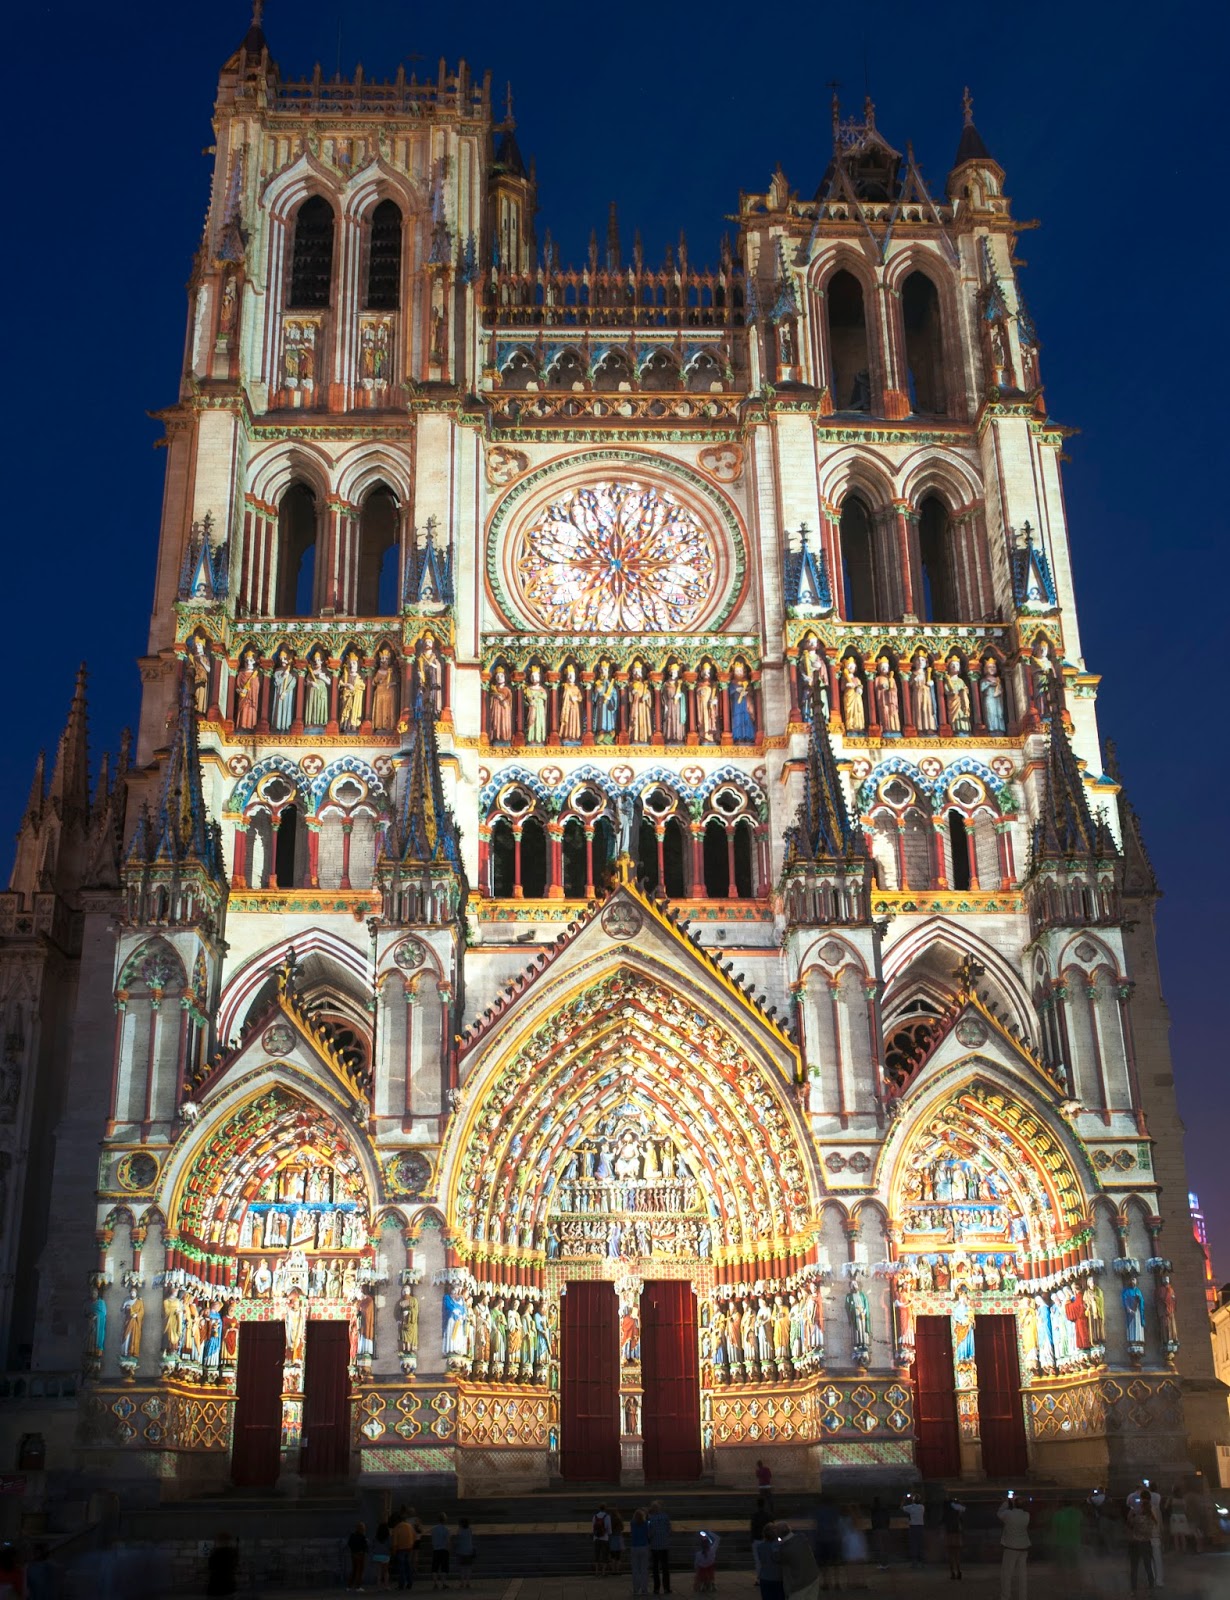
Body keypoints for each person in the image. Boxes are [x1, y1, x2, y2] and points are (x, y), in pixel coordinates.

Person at [764, 1521, 819, 1600]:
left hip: (799, 1584)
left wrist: (776, 1545)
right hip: (813, 1577)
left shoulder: (785, 1549)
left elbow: (776, 1558)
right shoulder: (801, 1537)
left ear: (778, 1534)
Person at [1125, 1481, 1163, 1585]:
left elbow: (1134, 1523)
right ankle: (1158, 1581)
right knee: (1157, 1559)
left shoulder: (1143, 1510)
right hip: (1156, 1536)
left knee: (1148, 1562)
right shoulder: (1155, 1509)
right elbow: (1160, 1522)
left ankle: (1152, 1580)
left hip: (1146, 1538)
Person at [997, 1495, 1030, 1600]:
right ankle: (1023, 1597)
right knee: (1022, 1575)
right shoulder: (1027, 1515)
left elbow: (999, 1513)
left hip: (1011, 1547)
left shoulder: (1008, 1514)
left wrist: (1007, 1502)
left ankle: (1006, 1596)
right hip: (1024, 1547)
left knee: (1007, 1574)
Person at [1125, 1496, 1157, 1593]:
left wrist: (1131, 1513)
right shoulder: (1152, 1519)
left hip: (1135, 1543)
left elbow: (1128, 1524)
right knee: (1148, 1566)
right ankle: (1151, 1585)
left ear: (1142, 1507)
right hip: (1146, 1543)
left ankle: (1133, 1588)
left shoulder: (1137, 1518)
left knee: (1134, 1568)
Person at [1050, 1500, 1082, 1587]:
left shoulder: (1058, 1514)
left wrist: (1053, 1543)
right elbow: (1082, 1526)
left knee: (1062, 1566)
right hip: (1075, 1542)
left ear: (1062, 1505)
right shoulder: (1078, 1513)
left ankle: (1063, 1584)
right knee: (1074, 1565)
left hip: (1061, 1543)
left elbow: (1054, 1530)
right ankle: (1075, 1584)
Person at [647, 1501, 672, 1595]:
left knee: (655, 1568)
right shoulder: (665, 1516)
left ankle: (656, 1589)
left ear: (653, 1509)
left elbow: (650, 1533)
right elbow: (669, 1529)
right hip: (664, 1545)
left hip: (655, 1546)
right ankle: (667, 1588)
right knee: (665, 1568)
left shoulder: (651, 1518)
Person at [390, 1509, 417, 1591]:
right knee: (408, 1566)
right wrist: (411, 1544)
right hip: (409, 1548)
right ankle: (409, 1583)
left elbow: (394, 1542)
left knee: (401, 1567)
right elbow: (414, 1536)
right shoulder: (409, 1526)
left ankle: (401, 1584)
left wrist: (393, 1552)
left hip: (400, 1549)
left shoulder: (396, 1528)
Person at [206, 1531, 239, 1596]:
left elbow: (211, 1567)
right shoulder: (233, 1552)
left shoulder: (216, 1553)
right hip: (229, 1585)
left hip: (216, 1585)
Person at [942, 1495, 966, 1580]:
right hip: (956, 1534)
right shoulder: (957, 1512)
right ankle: (958, 1571)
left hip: (949, 1534)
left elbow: (942, 1522)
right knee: (957, 1555)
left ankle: (952, 1573)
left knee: (950, 1555)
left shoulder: (946, 1513)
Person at [629, 1508, 651, 1597]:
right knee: (644, 1570)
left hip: (634, 1546)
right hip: (644, 1546)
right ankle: (644, 1589)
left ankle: (635, 1589)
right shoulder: (646, 1523)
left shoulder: (632, 1523)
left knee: (635, 1570)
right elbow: (648, 1534)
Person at [750, 1497, 772, 1584]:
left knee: (758, 1560)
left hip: (757, 1539)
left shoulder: (755, 1515)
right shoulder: (768, 1515)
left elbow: (753, 1528)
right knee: (767, 1559)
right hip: (766, 1539)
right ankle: (766, 1577)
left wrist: (751, 1538)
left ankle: (760, 1579)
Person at [903, 1494, 926, 1568]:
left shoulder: (911, 1507)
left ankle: (914, 1563)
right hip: (921, 1526)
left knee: (914, 1544)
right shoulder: (922, 1507)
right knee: (920, 1544)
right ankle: (922, 1562)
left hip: (913, 1527)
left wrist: (904, 1500)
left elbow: (902, 1508)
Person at [452, 1518, 475, 1589]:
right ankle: (468, 1582)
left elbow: (458, 1540)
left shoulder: (459, 1531)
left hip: (461, 1551)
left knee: (462, 1568)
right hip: (469, 1551)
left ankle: (462, 1583)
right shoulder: (469, 1530)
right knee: (468, 1568)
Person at [868, 1498, 891, 1571]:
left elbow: (873, 1520)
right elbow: (888, 1519)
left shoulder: (873, 1511)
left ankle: (883, 1564)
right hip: (885, 1529)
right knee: (885, 1547)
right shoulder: (885, 1510)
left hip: (878, 1529)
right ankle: (886, 1563)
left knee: (880, 1548)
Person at [430, 1512, 450, 1589]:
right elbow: (448, 1541)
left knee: (435, 1567)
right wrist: (449, 1549)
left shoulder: (434, 1529)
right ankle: (444, 1583)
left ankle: (435, 1583)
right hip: (444, 1550)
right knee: (444, 1567)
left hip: (436, 1550)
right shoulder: (446, 1529)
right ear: (445, 1520)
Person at [348, 1522, 370, 1592]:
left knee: (354, 1570)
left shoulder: (352, 1535)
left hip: (353, 1554)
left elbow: (349, 1544)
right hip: (360, 1554)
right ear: (362, 1529)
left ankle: (349, 1586)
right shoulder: (363, 1536)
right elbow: (365, 1546)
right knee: (360, 1570)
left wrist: (353, 1550)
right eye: (364, 1528)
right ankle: (358, 1586)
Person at [371, 1520, 392, 1589]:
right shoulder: (388, 1537)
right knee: (386, 1571)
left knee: (379, 1571)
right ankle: (386, 1585)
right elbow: (390, 1546)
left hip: (377, 1555)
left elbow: (373, 1545)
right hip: (385, 1555)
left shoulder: (376, 1537)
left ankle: (378, 1586)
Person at [593, 1504, 613, 1576]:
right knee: (604, 1555)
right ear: (605, 1509)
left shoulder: (595, 1516)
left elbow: (593, 1527)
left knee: (596, 1555)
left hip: (596, 1538)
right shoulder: (607, 1516)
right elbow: (609, 1529)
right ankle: (603, 1572)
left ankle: (596, 1572)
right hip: (604, 1538)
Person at [609, 1506, 626, 1575]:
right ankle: (618, 1570)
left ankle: (613, 1571)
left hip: (612, 1537)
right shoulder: (619, 1519)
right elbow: (622, 1528)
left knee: (612, 1556)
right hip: (618, 1537)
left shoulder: (610, 1519)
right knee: (618, 1556)